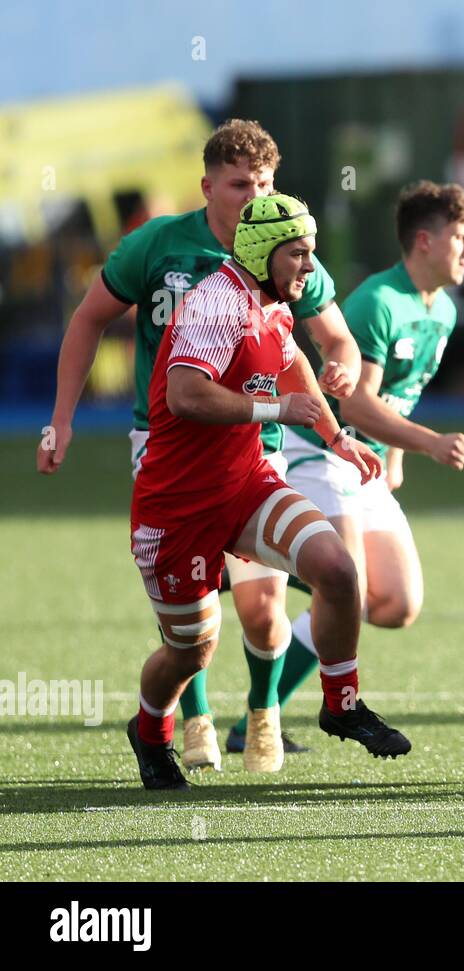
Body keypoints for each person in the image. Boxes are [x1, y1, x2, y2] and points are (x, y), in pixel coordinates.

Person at [37, 119, 361, 774]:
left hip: (256, 445)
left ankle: (264, 713)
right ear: (208, 185)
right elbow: (89, 318)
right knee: (196, 615)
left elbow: (328, 338)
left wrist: (344, 373)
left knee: (266, 608)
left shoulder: (288, 249)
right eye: (240, 183)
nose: (254, 194)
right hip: (167, 448)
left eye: (265, 182)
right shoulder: (159, 244)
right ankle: (192, 720)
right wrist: (62, 418)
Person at [125, 195, 409, 789]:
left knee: (337, 569)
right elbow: (185, 395)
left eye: (311, 252)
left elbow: (292, 364)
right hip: (177, 508)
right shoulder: (213, 304)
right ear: (260, 252)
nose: (309, 267)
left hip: (248, 486)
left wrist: (336, 437)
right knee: (190, 653)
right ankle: (150, 731)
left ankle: (341, 703)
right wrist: (277, 407)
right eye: (298, 254)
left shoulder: (268, 302)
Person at [232, 181, 464, 744]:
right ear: (425, 240)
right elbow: (356, 404)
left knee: (396, 604)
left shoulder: (440, 308)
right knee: (347, 583)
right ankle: (259, 713)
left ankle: (296, 571)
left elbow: (400, 393)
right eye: (461, 238)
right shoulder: (378, 301)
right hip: (321, 451)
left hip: (364, 460)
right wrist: (427, 443)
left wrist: (395, 453)